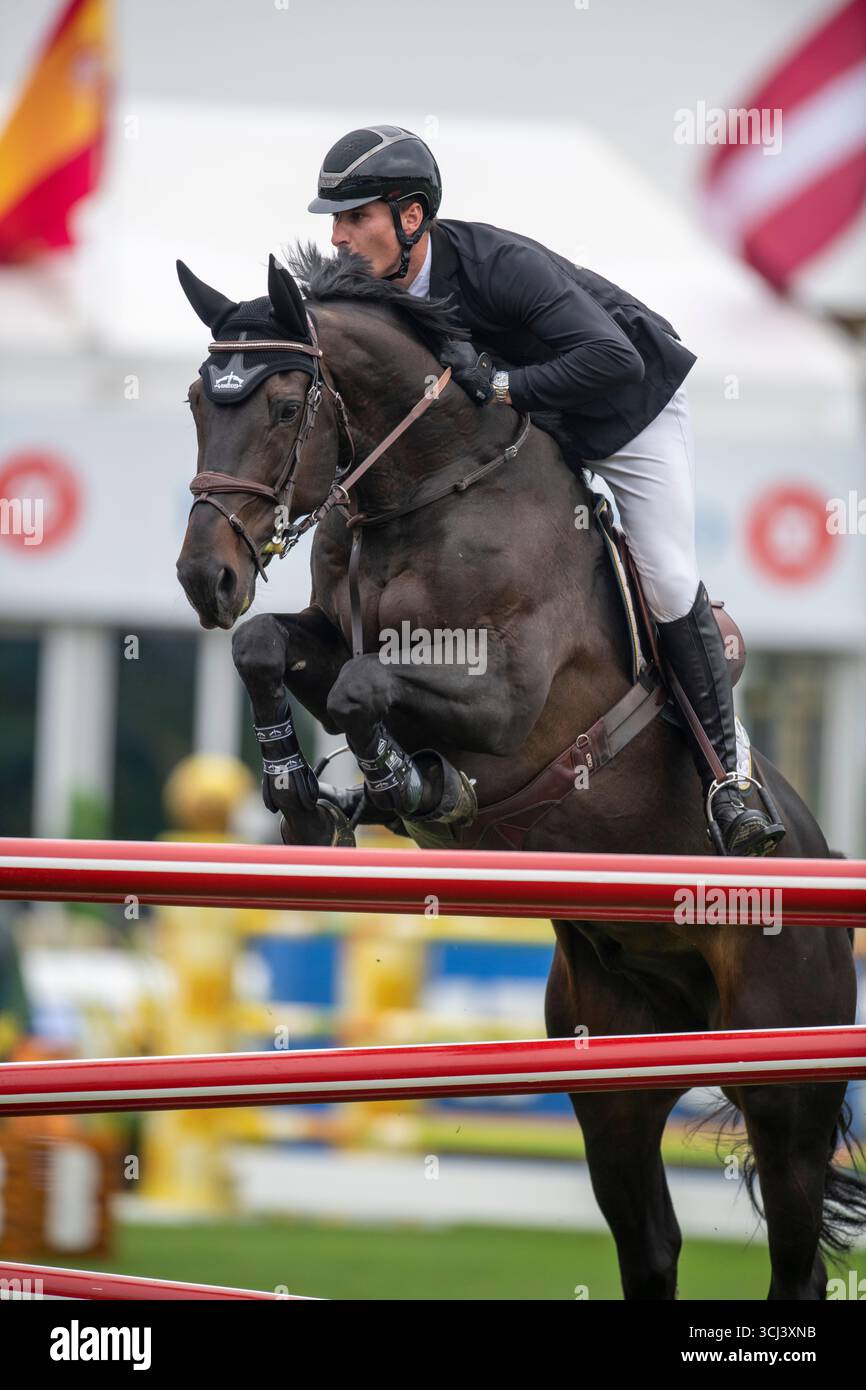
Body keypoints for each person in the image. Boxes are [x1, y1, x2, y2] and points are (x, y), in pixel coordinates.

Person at [307, 124, 785, 856]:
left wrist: (502, 385)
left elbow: (612, 359)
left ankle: (729, 780)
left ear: (411, 218)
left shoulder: (500, 265)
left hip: (628, 413)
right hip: (535, 431)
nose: (339, 236)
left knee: (665, 575)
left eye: (355, 216)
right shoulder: (382, 299)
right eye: (335, 220)